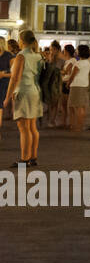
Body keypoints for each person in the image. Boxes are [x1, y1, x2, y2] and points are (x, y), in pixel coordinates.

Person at [3, 30, 43, 166]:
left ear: (22, 40)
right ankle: (33, 156)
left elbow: (15, 78)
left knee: (23, 128)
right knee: (32, 127)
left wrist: (7, 97)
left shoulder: (21, 56)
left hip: (24, 91)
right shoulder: (37, 55)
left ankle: (24, 159)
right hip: (35, 91)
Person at [65, 44, 90, 133]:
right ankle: (79, 125)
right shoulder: (87, 62)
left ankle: (76, 126)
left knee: (74, 106)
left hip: (76, 85)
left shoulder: (79, 63)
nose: (76, 51)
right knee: (81, 107)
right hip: (84, 85)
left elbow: (73, 75)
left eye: (77, 50)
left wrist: (68, 83)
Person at [0, 38, 16, 140]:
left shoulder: (9, 56)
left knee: (0, 109)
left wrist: (3, 75)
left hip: (3, 85)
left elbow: (14, 73)